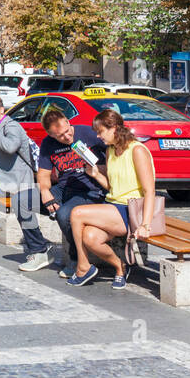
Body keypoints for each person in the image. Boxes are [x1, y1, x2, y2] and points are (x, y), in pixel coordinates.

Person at [66, 108, 159, 289]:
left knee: (77, 213)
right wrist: (95, 175)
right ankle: (120, 267)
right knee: (90, 237)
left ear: (114, 128)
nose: (99, 137)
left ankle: (83, 267)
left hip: (130, 210)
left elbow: (149, 191)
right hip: (113, 206)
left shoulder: (137, 150)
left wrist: (146, 225)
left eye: (101, 131)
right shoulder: (111, 151)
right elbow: (113, 187)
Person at [0, 94, 53, 271]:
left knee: (22, 205)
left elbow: (10, 147)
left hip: (20, 182)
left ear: (2, 110)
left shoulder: (11, 126)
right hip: (3, 180)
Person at [36, 108, 107, 277]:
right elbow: (43, 173)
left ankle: (77, 259)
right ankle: (39, 251)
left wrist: (99, 169)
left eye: (67, 131)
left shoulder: (88, 133)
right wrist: (45, 191)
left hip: (90, 189)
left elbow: (115, 153)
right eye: (60, 136)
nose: (67, 137)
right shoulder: (48, 144)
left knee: (64, 214)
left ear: (68, 122)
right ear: (51, 135)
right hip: (64, 187)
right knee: (22, 201)